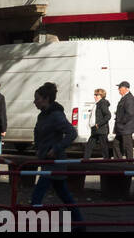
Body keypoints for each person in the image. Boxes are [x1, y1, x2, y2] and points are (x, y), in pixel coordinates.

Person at [30, 82, 83, 229]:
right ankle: (79, 222)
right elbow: (37, 131)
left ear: (46, 99)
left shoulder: (56, 115)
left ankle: (31, 223)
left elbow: (72, 133)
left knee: (38, 194)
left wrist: (56, 148)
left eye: (37, 98)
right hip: (48, 160)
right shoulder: (42, 116)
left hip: (54, 161)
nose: (34, 101)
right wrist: (38, 147)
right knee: (64, 194)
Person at [82, 88, 112, 161]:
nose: (94, 96)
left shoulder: (102, 103)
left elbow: (108, 115)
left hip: (100, 129)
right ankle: (85, 160)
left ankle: (107, 161)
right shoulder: (97, 103)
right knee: (89, 145)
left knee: (104, 146)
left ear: (101, 95)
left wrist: (98, 124)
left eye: (96, 95)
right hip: (95, 129)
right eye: (94, 94)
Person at [112, 81, 134, 161]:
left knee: (127, 146)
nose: (118, 90)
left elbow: (129, 114)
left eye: (120, 88)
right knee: (116, 143)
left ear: (125, 88)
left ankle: (130, 163)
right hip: (121, 127)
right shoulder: (124, 97)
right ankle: (118, 161)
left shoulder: (129, 98)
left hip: (126, 127)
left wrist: (121, 122)